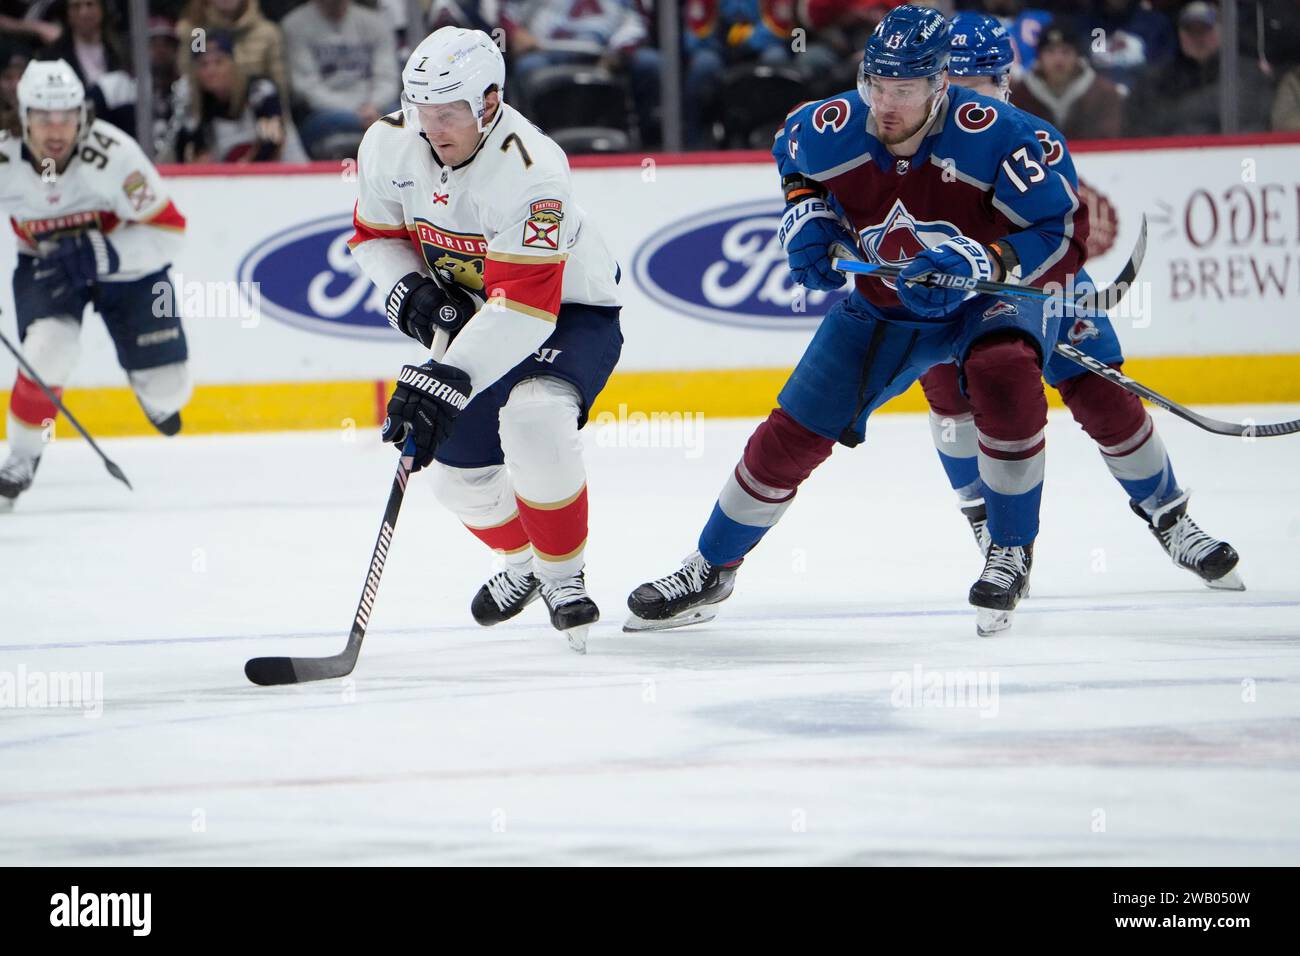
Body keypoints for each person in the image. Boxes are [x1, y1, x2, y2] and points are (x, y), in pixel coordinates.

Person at [626, 4, 1088, 637]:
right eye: (877, 85)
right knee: (794, 429)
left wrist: (987, 257)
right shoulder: (828, 125)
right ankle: (711, 565)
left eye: (904, 89)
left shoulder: (1005, 137)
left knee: (1003, 369)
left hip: (988, 298)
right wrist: (807, 216)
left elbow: (1062, 232)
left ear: (940, 84)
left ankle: (1009, 549)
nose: (886, 104)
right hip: (885, 306)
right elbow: (795, 165)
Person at [920, 12, 1242, 589]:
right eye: (959, 89)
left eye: (984, 88)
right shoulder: (911, 151)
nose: (975, 106)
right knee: (950, 399)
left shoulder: (1037, 141)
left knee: (1105, 396)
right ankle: (991, 530)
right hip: (950, 299)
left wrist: (1037, 292)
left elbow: (1061, 234)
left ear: (1005, 84)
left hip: (1045, 285)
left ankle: (1171, 518)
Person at [348, 27, 623, 651]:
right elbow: (375, 236)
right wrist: (409, 296)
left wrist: (447, 376)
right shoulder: (388, 144)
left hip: (568, 313)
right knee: (454, 479)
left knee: (534, 418)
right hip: (480, 315)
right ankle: (524, 564)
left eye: (449, 113)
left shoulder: (533, 170)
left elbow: (526, 308)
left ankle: (562, 577)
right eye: (422, 111)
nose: (432, 127)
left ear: (490, 103)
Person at [0, 60, 191, 511]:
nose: (55, 129)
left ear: (81, 116)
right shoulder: (4, 158)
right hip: (47, 267)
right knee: (49, 350)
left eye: (65, 116)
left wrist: (102, 253)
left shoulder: (115, 154)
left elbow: (170, 231)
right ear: (23, 116)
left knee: (170, 391)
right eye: (44, 117)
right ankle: (21, 458)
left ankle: (148, 380)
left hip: (125, 269)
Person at [281, 0, 400, 160]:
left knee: (403, 115)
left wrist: (373, 105)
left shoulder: (375, 22)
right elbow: (305, 86)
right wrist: (357, 112)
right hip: (325, 112)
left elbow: (387, 78)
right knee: (334, 120)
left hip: (376, 107)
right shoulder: (293, 24)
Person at [1011, 21, 1125, 140]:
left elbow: (1107, 140)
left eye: (1066, 51)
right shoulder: (1020, 94)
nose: (1058, 60)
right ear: (1039, 57)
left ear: (1077, 56)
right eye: (1050, 51)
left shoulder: (1103, 92)